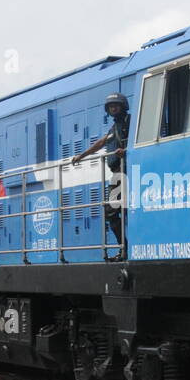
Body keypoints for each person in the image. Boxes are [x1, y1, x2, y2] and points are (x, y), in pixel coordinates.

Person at [73, 91, 130, 258]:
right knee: (112, 211)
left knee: (112, 211)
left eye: (116, 105)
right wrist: (81, 156)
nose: (113, 109)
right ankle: (123, 247)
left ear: (123, 106)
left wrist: (125, 150)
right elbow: (101, 142)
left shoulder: (130, 121)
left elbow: (138, 140)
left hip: (124, 171)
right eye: (111, 106)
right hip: (117, 173)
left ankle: (124, 248)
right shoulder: (114, 128)